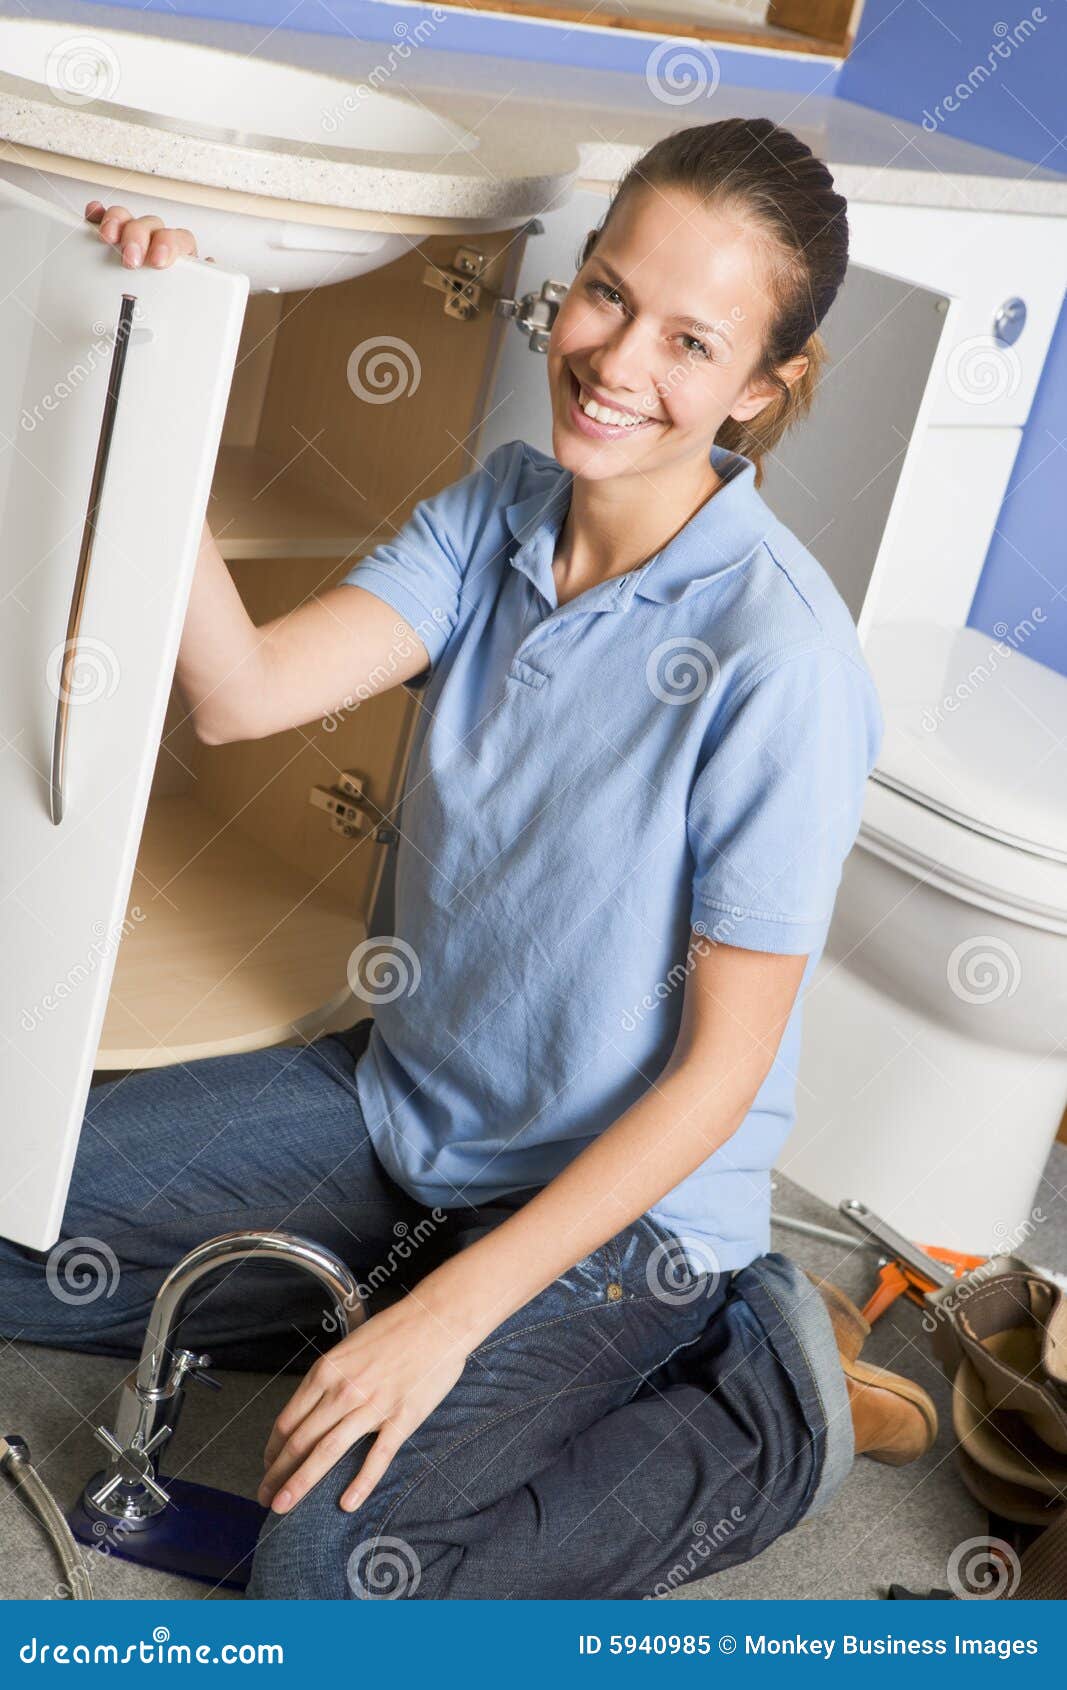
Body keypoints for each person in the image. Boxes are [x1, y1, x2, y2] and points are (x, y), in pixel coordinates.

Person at [1, 118, 937, 1600]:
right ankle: (374, 1304)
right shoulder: (501, 505)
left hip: (628, 1221)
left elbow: (718, 1075)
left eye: (691, 342)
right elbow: (241, 690)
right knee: (8, 1218)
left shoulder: (783, 660)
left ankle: (773, 1407)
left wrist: (452, 1318)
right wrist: (150, 375)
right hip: (406, 1116)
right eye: (609, 292)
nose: (617, 360)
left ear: (763, 387)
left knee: (332, 1573)